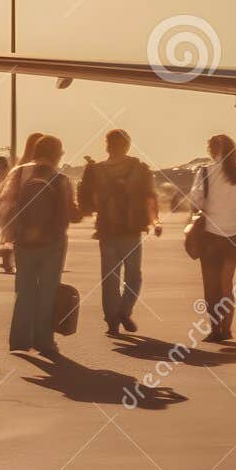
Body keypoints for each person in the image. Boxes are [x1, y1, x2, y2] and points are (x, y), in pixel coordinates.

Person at [2, 134, 81, 357]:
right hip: (53, 242)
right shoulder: (62, 179)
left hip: (23, 241)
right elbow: (70, 211)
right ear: (57, 154)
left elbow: (6, 203)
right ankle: (44, 340)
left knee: (25, 289)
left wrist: (11, 232)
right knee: (47, 291)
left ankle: (19, 339)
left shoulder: (19, 173)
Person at [78, 129, 158, 336]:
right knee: (134, 276)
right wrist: (155, 221)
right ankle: (124, 310)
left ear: (107, 145)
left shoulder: (96, 170)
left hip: (107, 230)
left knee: (110, 277)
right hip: (131, 230)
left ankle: (112, 322)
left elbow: (88, 201)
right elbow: (150, 197)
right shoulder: (140, 169)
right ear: (128, 145)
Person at [189, 134, 236, 342]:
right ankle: (227, 328)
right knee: (226, 284)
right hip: (234, 235)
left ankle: (215, 329)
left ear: (212, 151)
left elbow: (196, 201)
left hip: (210, 236)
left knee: (211, 285)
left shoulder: (204, 172)